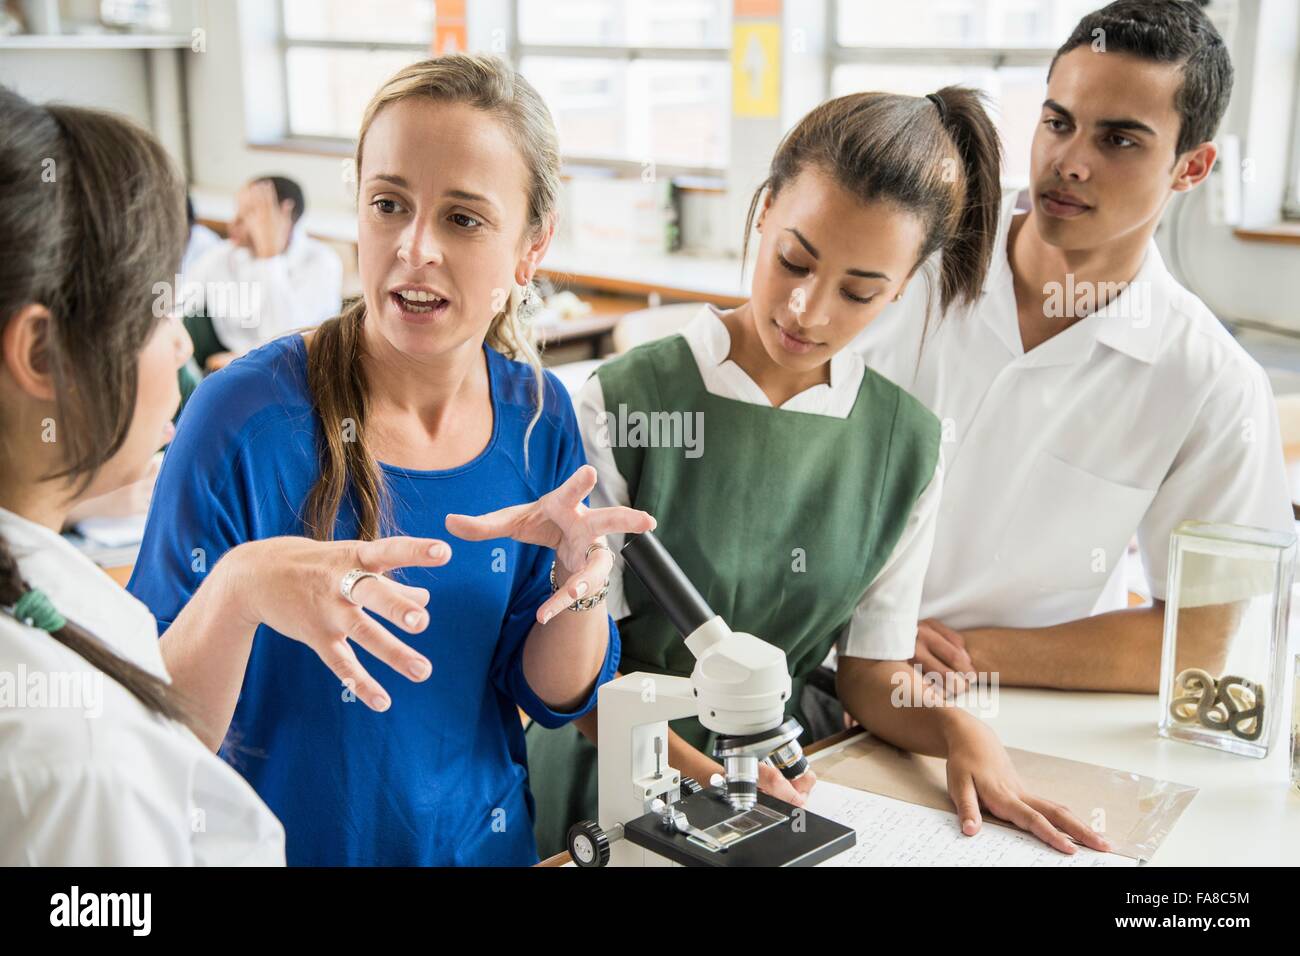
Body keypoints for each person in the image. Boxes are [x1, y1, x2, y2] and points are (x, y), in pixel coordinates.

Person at [527, 88, 1113, 860]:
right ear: (765, 209)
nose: (808, 309)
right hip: (622, 773)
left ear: (904, 284)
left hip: (785, 773)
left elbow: (871, 673)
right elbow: (585, 679)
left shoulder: (906, 445)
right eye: (794, 260)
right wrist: (719, 789)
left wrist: (958, 730)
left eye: (860, 291)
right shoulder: (623, 403)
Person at [129, 54, 655, 866]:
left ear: (531, 246)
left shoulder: (539, 417)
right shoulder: (241, 418)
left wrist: (579, 588)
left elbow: (551, 698)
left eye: (463, 219)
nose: (415, 248)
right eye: (389, 205)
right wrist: (240, 591)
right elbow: (149, 721)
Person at [0, 87, 458, 865]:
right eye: (158, 312)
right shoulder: (71, 755)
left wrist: (241, 584)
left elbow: (156, 715)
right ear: (43, 356)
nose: (180, 346)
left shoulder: (48, 589)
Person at [854, 0, 1293, 693]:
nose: (1069, 162)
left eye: (1119, 141)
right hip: (798, 663)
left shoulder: (1209, 381)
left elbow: (1208, 636)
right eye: (1058, 122)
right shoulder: (909, 255)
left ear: (1192, 167)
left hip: (991, 708)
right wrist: (869, 642)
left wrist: (962, 656)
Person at [182, 175, 343, 371]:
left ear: (284, 212)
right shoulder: (223, 255)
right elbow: (179, 302)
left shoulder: (321, 263)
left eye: (248, 213)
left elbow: (285, 343)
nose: (233, 223)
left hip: (297, 374)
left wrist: (269, 255)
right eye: (236, 212)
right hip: (232, 369)